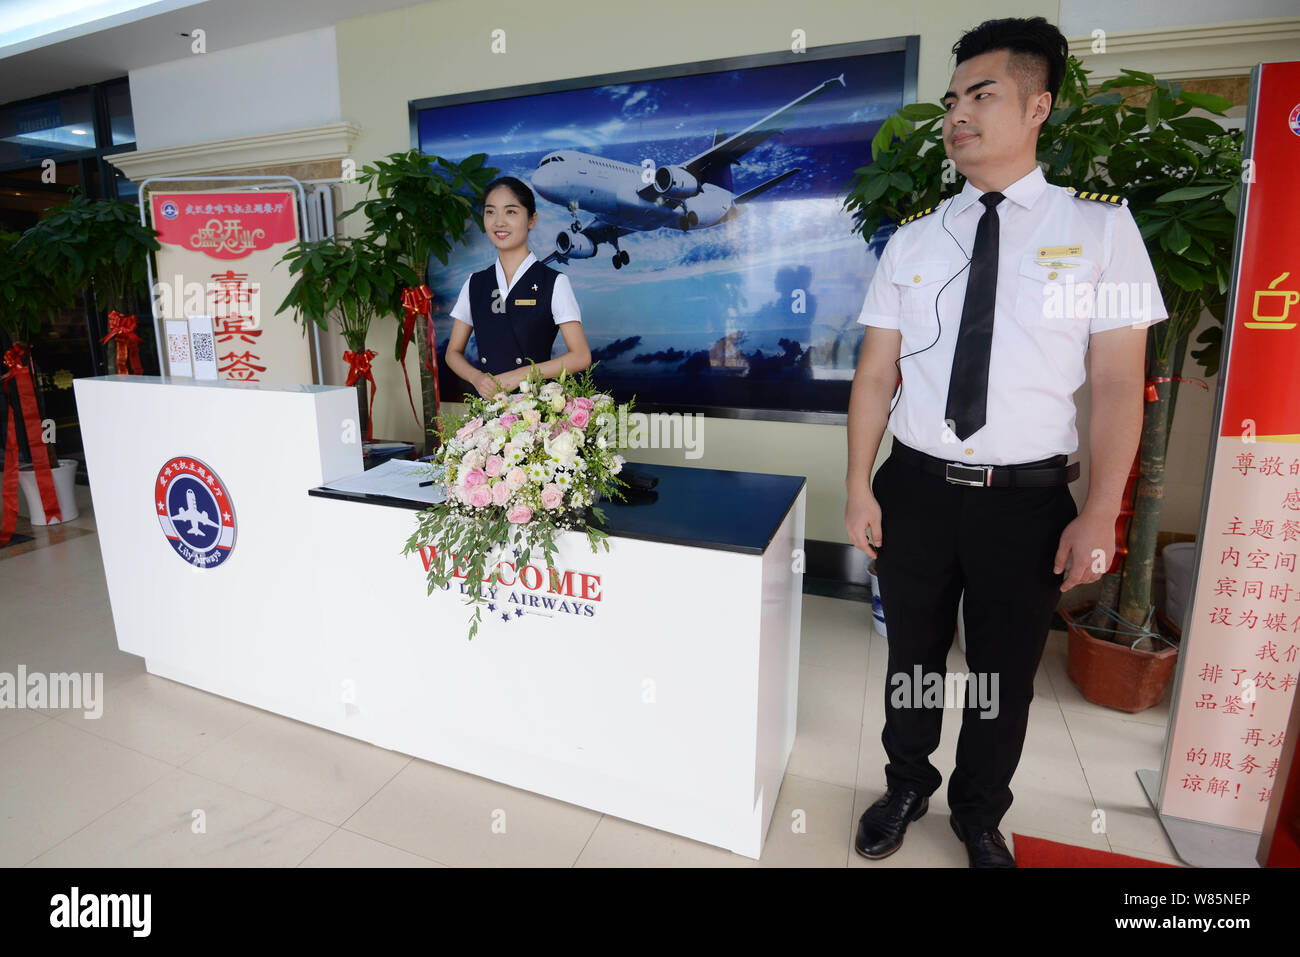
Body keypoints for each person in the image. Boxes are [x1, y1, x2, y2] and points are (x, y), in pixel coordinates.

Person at [845, 16, 1166, 867]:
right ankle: (907, 780)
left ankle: (979, 812)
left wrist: (1099, 511)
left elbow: (1112, 384)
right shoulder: (914, 237)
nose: (958, 114)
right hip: (914, 484)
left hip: (1024, 501)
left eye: (983, 95)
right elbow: (875, 376)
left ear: (1038, 107)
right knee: (912, 651)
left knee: (1002, 674)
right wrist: (859, 484)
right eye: (952, 99)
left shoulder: (1100, 230)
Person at [444, 176, 591, 398]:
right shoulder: (475, 283)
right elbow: (452, 353)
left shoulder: (554, 282)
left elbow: (581, 356)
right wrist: (477, 378)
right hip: (489, 410)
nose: (498, 222)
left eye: (510, 212)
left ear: (532, 220)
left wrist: (520, 374)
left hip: (538, 411)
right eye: (490, 212)